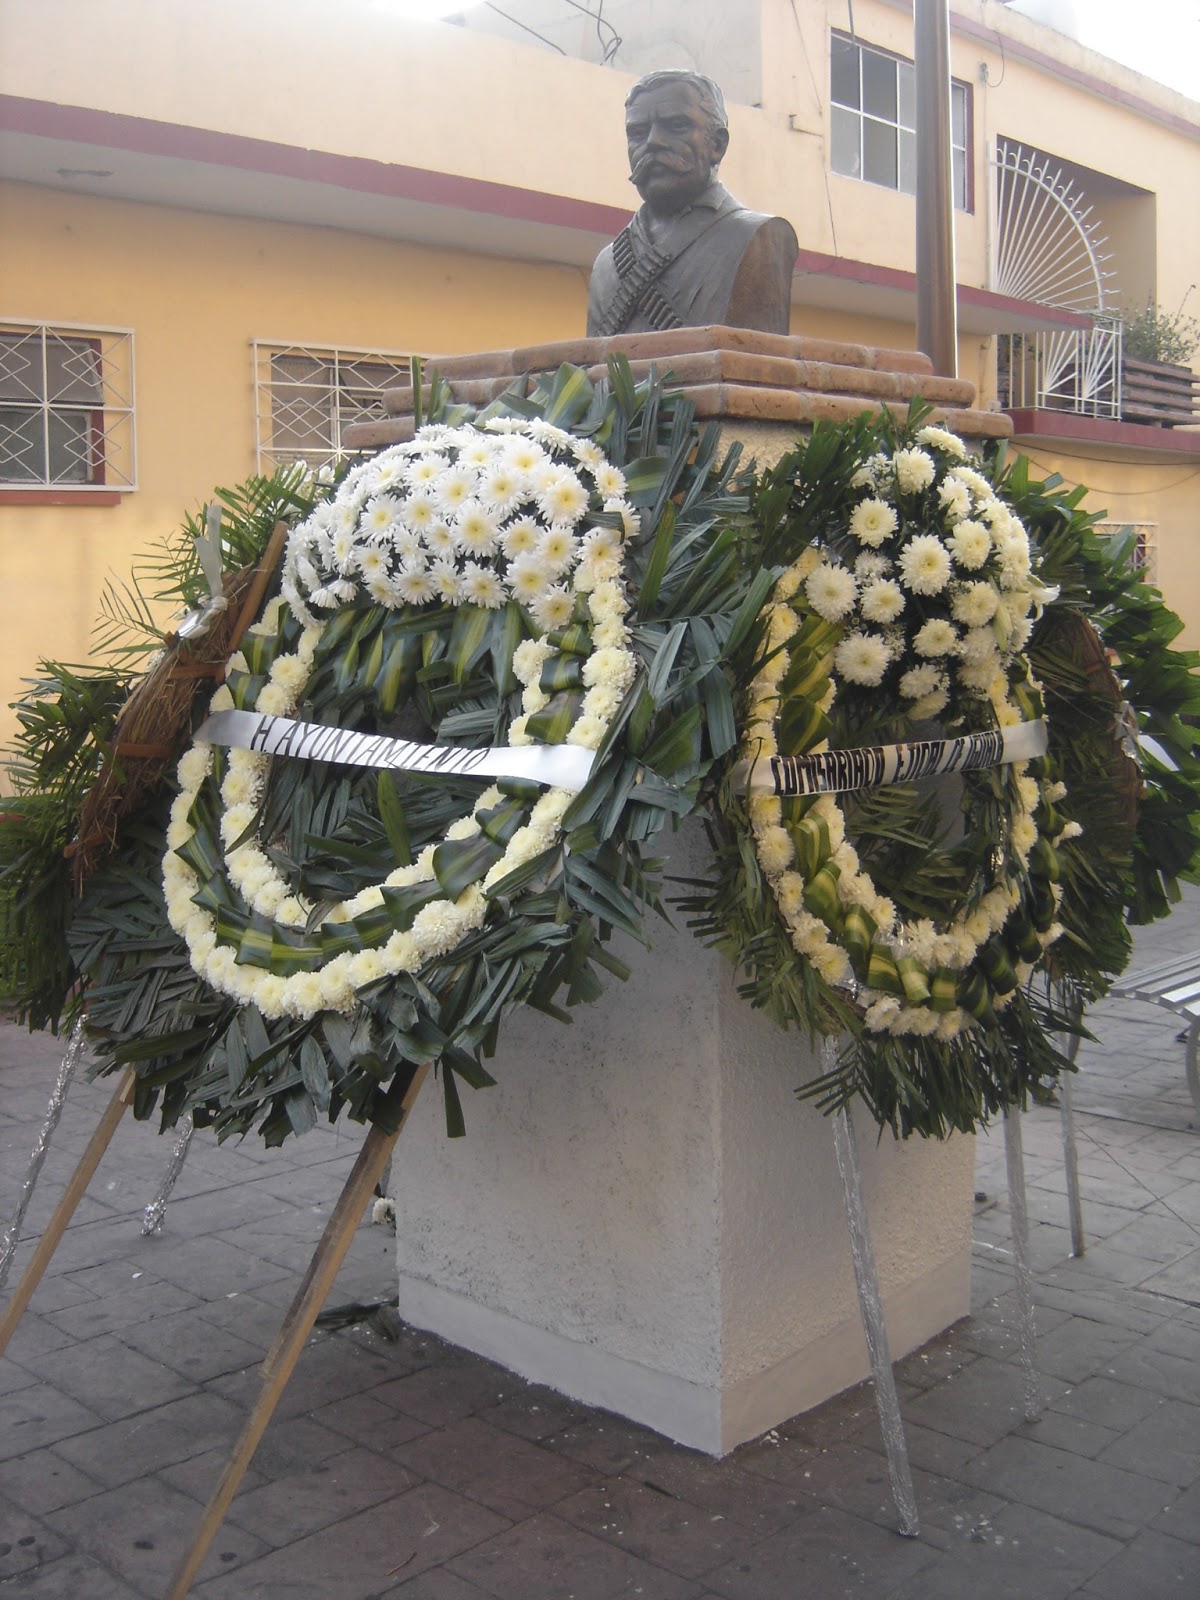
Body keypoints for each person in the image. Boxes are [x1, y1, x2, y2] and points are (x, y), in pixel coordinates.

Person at [587, 69, 798, 338]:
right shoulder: (608, 263)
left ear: (717, 145)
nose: (653, 142)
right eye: (637, 132)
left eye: (676, 126)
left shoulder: (759, 237)